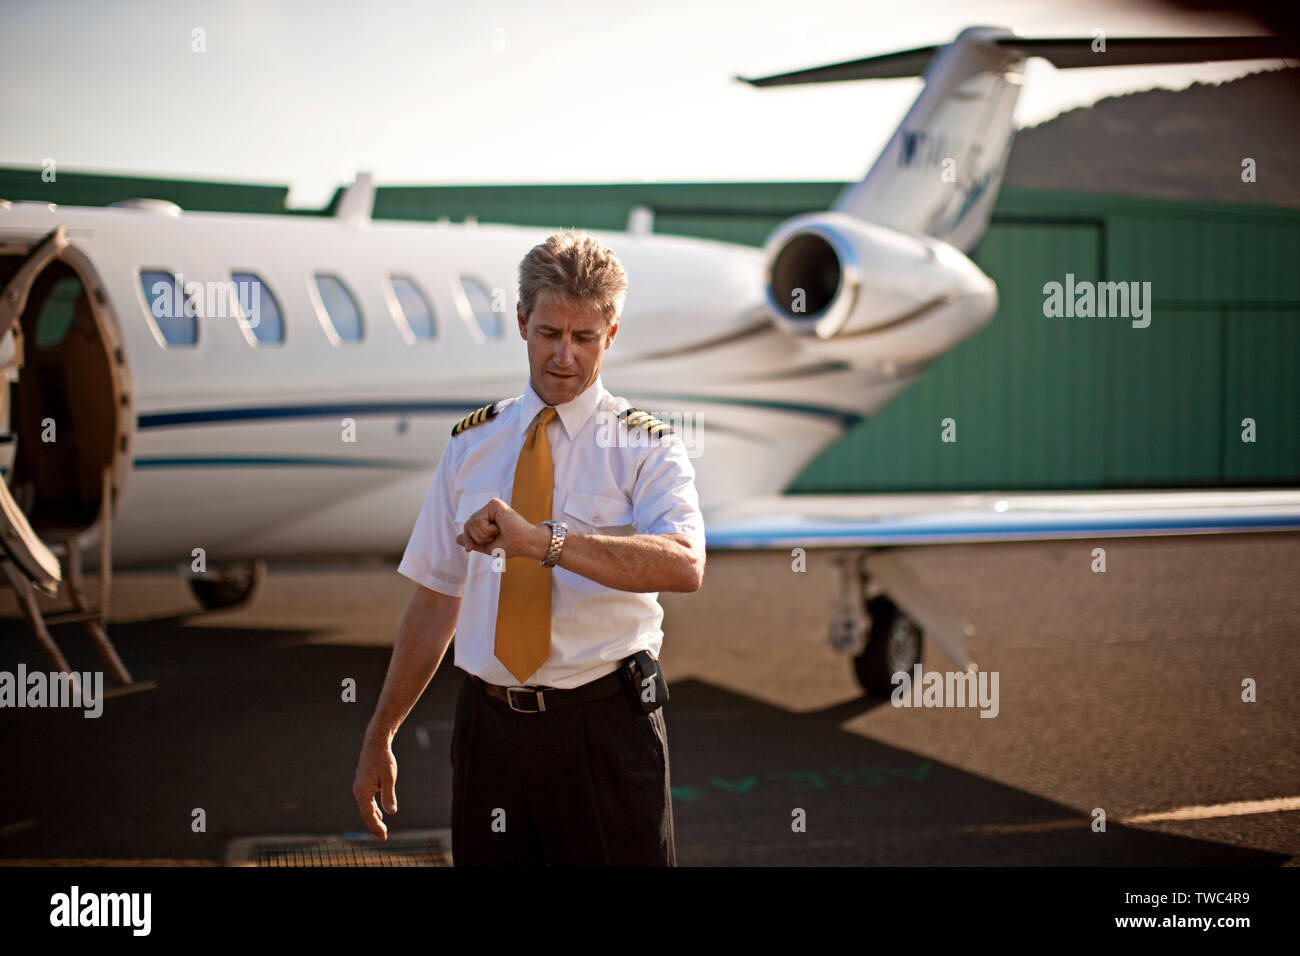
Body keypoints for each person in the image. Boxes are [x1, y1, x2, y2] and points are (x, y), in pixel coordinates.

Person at [351, 230, 706, 866]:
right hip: (489, 738)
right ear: (521, 321)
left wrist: (544, 543)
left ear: (612, 336)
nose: (564, 356)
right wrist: (380, 733)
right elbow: (434, 601)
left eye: (584, 338)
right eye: (548, 333)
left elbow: (684, 564)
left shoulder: (645, 445)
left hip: (603, 732)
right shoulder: (471, 445)